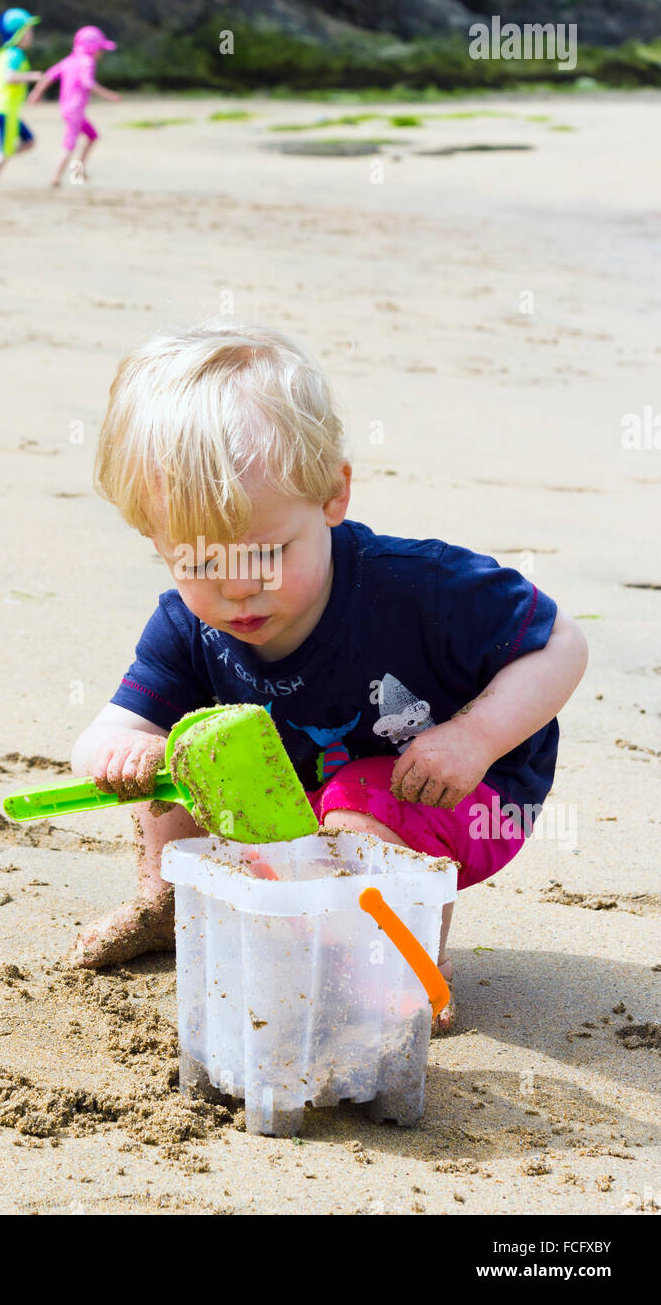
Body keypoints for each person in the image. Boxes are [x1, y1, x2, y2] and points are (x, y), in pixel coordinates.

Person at [66, 320, 588, 1034]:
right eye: (200, 564)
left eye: (268, 553)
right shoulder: (188, 627)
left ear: (332, 497)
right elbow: (112, 729)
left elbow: (558, 641)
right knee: (182, 754)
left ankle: (402, 969)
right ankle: (167, 904)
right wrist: (121, 755)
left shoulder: (421, 588)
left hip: (464, 789)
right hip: (299, 799)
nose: (239, 591)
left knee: (352, 800)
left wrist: (476, 737)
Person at [27, 26, 122, 187]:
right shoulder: (87, 61)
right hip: (75, 109)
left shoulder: (69, 60)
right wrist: (109, 95)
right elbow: (88, 83)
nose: (102, 53)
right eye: (100, 49)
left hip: (67, 108)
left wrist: (35, 93)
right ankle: (56, 178)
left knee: (92, 136)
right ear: (92, 48)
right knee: (69, 144)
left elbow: (49, 76)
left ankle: (79, 170)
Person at [0, 7, 42, 198]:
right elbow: (9, 77)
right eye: (28, 30)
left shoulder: (2, 54)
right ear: (18, 33)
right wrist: (33, 76)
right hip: (6, 110)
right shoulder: (15, 55)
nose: (31, 35)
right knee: (4, 151)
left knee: (29, 141)